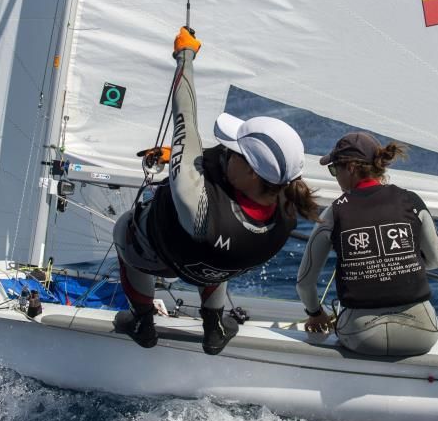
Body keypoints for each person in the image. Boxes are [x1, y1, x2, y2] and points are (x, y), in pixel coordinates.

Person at [113, 27, 319, 355]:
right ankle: (214, 326)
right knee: (217, 250)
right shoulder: (287, 210)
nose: (224, 153)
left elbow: (186, 114)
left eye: (231, 151)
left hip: (163, 256)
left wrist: (185, 55)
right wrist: (179, 160)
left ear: (252, 171)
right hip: (218, 262)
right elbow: (228, 192)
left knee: (124, 228)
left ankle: (143, 323)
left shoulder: (195, 201)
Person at [296, 132, 438, 356]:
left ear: (351, 168)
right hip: (422, 333)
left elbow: (304, 282)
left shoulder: (335, 212)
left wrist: (316, 313)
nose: (335, 176)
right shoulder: (411, 200)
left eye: (335, 169)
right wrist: (397, 263)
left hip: (362, 336)